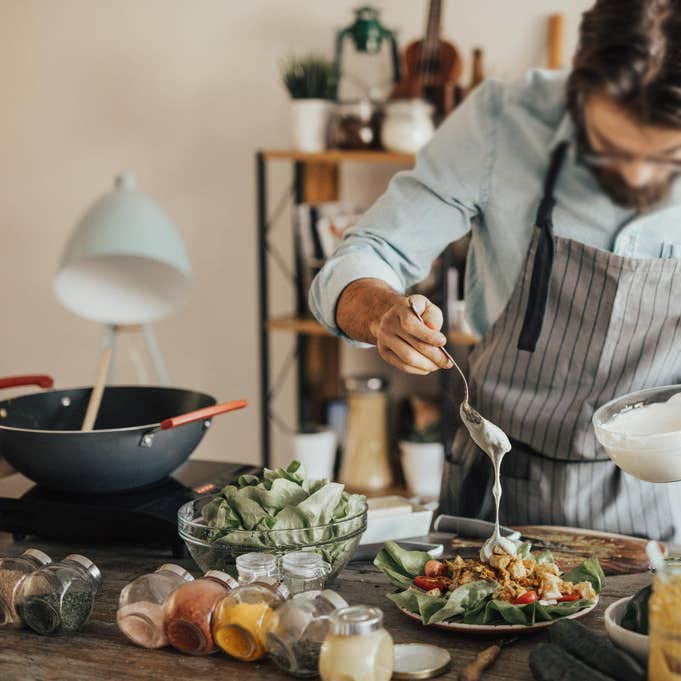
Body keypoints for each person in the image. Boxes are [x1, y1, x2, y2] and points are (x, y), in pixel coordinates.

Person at [309, 0, 681, 541]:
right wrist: (382, 312)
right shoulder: (501, 124)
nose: (636, 176)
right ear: (578, 85)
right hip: (502, 487)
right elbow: (367, 253)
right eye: (610, 149)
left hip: (662, 495)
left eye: (668, 156)